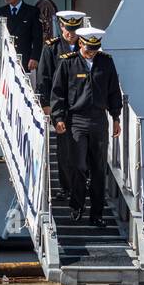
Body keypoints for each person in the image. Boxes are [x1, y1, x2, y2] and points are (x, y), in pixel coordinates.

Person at [50, 26, 122, 227]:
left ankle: (97, 214)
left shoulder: (106, 63)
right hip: (77, 121)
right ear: (80, 43)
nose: (92, 52)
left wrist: (116, 117)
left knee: (98, 169)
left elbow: (114, 92)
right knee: (78, 166)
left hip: (99, 120)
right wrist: (58, 118)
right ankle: (77, 205)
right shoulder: (68, 63)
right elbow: (58, 93)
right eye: (89, 48)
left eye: (95, 48)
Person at [37, 10, 88, 199]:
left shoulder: (87, 48)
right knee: (65, 151)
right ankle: (67, 188)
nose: (71, 33)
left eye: (75, 29)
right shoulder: (52, 48)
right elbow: (44, 78)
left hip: (83, 107)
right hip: (62, 107)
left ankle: (82, 185)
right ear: (61, 26)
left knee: (83, 149)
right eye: (68, 29)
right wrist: (46, 105)